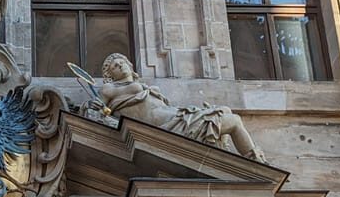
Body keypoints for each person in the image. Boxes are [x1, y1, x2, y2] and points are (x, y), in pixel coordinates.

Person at [98, 53, 266, 162]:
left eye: (122, 62)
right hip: (166, 127)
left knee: (225, 110)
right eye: (115, 66)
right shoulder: (109, 89)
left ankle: (230, 159)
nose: (120, 65)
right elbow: (96, 108)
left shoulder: (138, 84)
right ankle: (257, 163)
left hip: (176, 117)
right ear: (109, 75)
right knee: (234, 121)